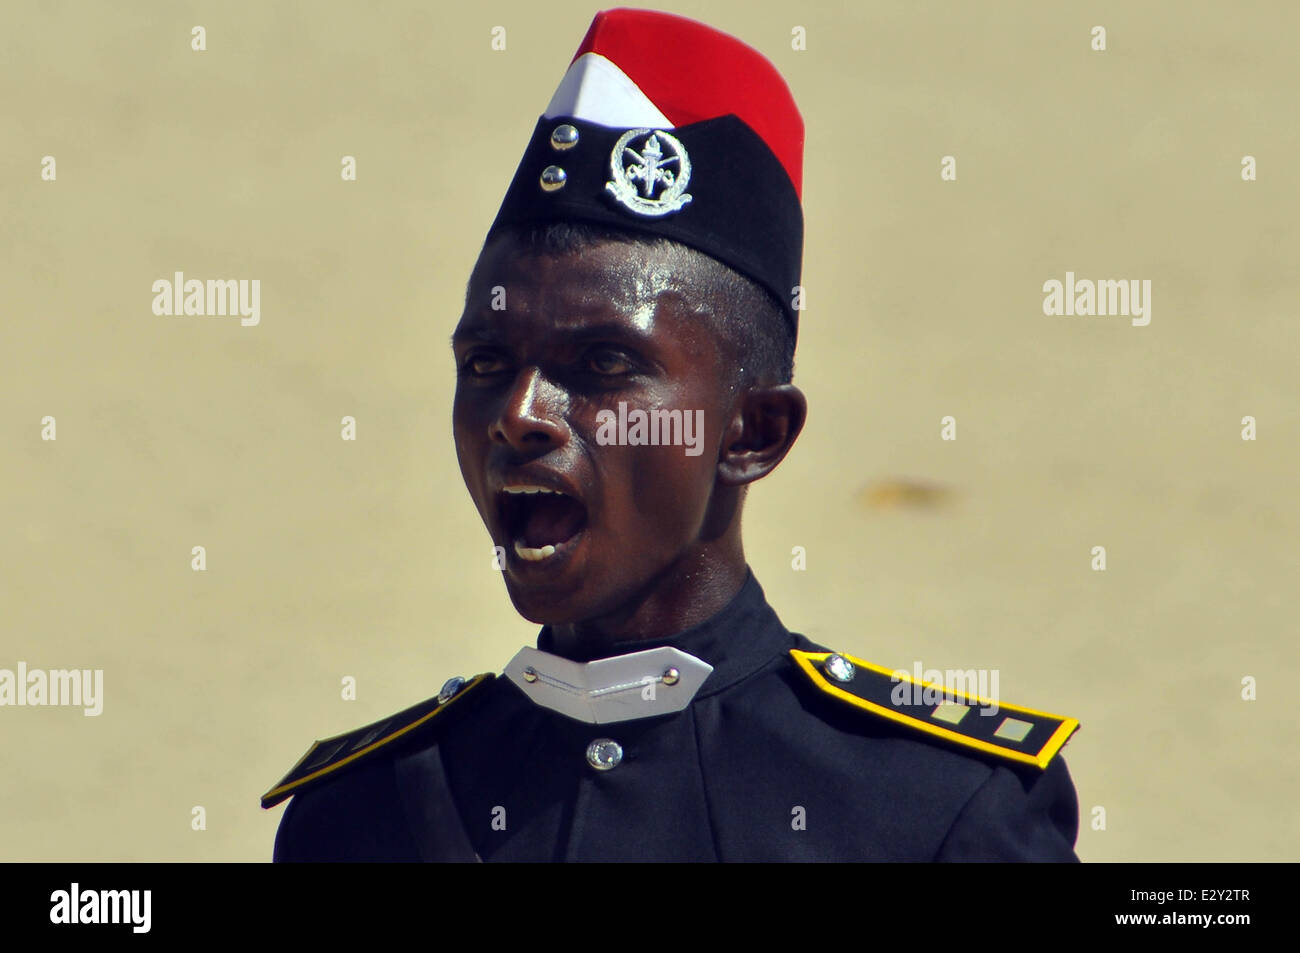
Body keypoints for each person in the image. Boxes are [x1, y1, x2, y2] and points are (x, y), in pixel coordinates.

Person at [262, 7, 1081, 862]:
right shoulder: (361, 816)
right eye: (486, 362)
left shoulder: (930, 811)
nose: (520, 412)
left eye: (605, 362)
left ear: (753, 432)